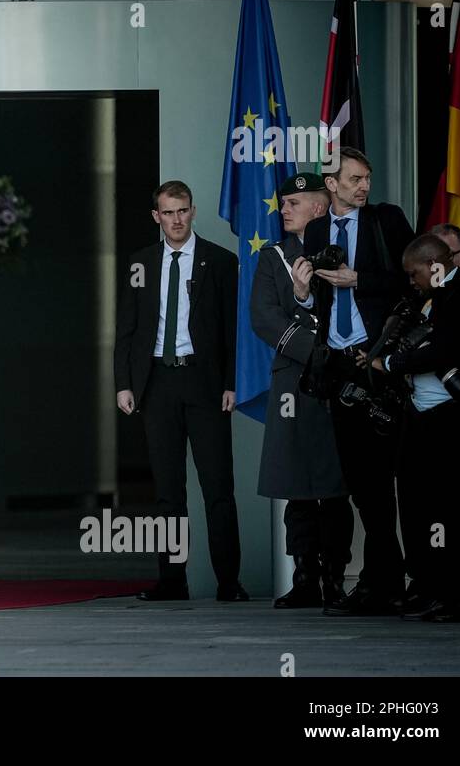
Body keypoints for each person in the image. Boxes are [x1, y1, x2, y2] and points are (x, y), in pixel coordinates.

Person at [114, 180, 246, 602]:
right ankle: (172, 581)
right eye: (168, 212)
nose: (176, 219)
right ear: (157, 216)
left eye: (183, 210)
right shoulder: (140, 263)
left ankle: (229, 582)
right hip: (156, 384)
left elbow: (233, 332)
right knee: (168, 492)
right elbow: (126, 331)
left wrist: (232, 383)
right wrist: (124, 384)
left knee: (218, 488)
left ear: (193, 211)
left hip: (204, 383)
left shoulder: (221, 261)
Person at [299, 147, 415, 616]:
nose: (363, 186)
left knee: (395, 477)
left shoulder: (387, 220)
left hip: (382, 363)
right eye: (353, 179)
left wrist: (357, 280)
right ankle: (380, 579)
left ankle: (396, 579)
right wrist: (305, 294)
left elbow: (414, 282)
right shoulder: (316, 231)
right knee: (362, 482)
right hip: (342, 367)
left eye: (366, 178)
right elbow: (315, 309)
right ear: (331, 184)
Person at [367, 235, 460, 622]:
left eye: (413, 272)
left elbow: (444, 349)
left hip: (455, 419)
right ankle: (431, 586)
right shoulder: (420, 300)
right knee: (418, 505)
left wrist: (394, 363)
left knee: (458, 509)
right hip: (417, 417)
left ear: (434, 265)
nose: (410, 280)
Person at [249, 173, 351, 609]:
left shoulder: (339, 252)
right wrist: (320, 350)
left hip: (338, 381)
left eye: (293, 202)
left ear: (319, 206)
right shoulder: (275, 257)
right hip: (296, 379)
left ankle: (334, 579)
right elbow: (264, 318)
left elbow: (350, 311)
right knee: (298, 485)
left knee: (335, 484)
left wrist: (336, 359)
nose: (284, 209)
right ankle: (306, 577)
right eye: (283, 202)